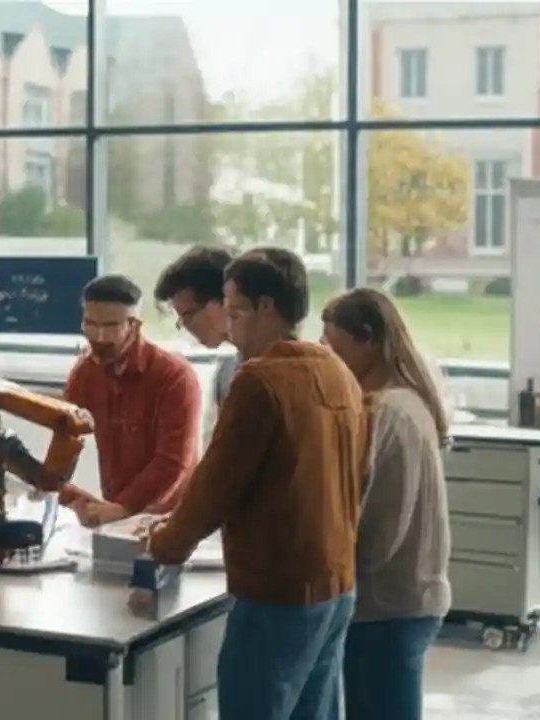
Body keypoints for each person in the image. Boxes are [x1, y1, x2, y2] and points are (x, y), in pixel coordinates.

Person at [146, 248, 369, 720]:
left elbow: (214, 487)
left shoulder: (260, 381)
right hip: (338, 584)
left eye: (234, 311)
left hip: (279, 592)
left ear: (267, 308)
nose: (229, 325)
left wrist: (164, 544)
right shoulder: (338, 372)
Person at [321, 288, 451, 720]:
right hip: (411, 598)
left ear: (369, 341)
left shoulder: (382, 411)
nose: (332, 363)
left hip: (383, 605)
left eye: (337, 350)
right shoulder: (409, 399)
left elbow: (377, 526)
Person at [61, 274, 202, 528]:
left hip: (176, 520)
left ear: (135, 325)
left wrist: (121, 508)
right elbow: (62, 434)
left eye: (111, 326)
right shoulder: (85, 372)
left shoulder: (175, 376)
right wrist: (62, 492)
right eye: (90, 324)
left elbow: (172, 463)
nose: (99, 337)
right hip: (118, 515)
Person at [153, 245, 238, 436]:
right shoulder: (228, 368)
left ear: (224, 301)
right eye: (180, 318)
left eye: (189, 314)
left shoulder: (251, 371)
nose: (185, 325)